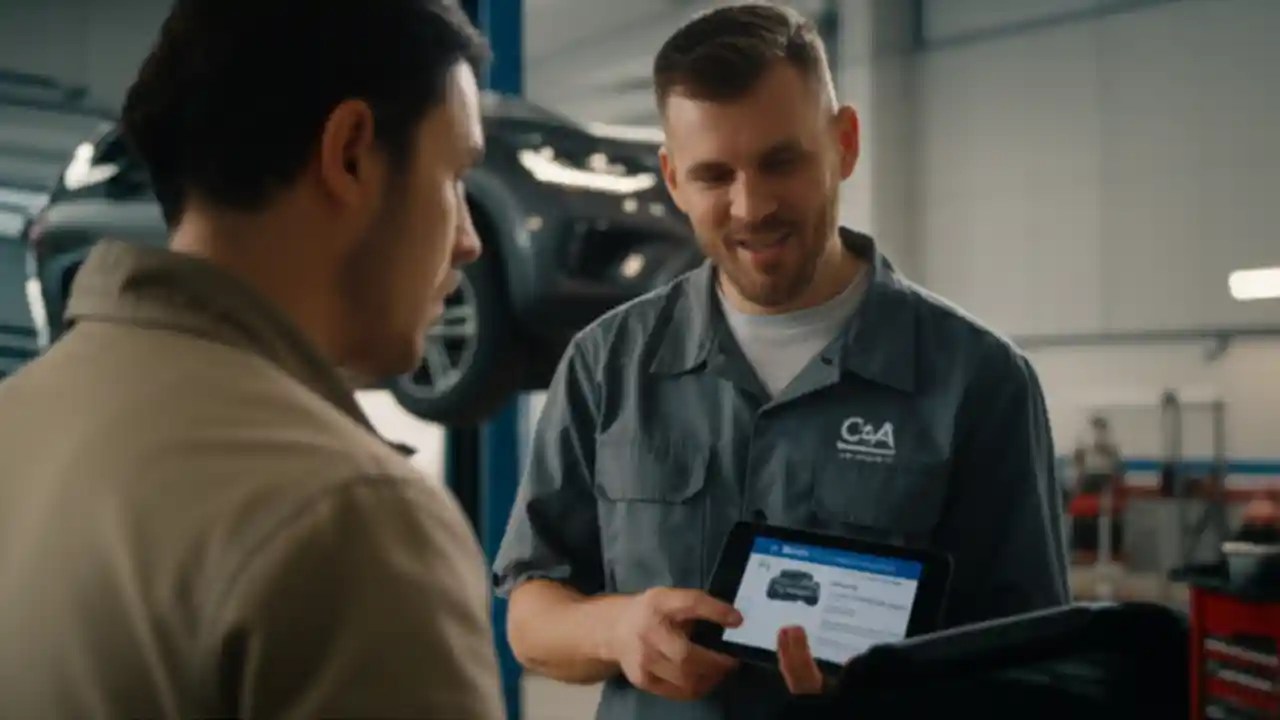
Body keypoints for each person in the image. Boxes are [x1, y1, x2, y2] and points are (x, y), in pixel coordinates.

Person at [493, 4, 1070, 719]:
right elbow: (531, 616)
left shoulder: (978, 382)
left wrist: (888, 690)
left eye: (781, 161)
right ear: (672, 179)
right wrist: (618, 628)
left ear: (845, 144)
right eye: (713, 176)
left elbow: (1037, 668)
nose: (751, 205)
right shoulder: (606, 365)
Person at [0, 1, 505, 718]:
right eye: (454, 177)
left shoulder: (18, 422)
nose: (468, 241)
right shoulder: (350, 517)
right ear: (351, 153)